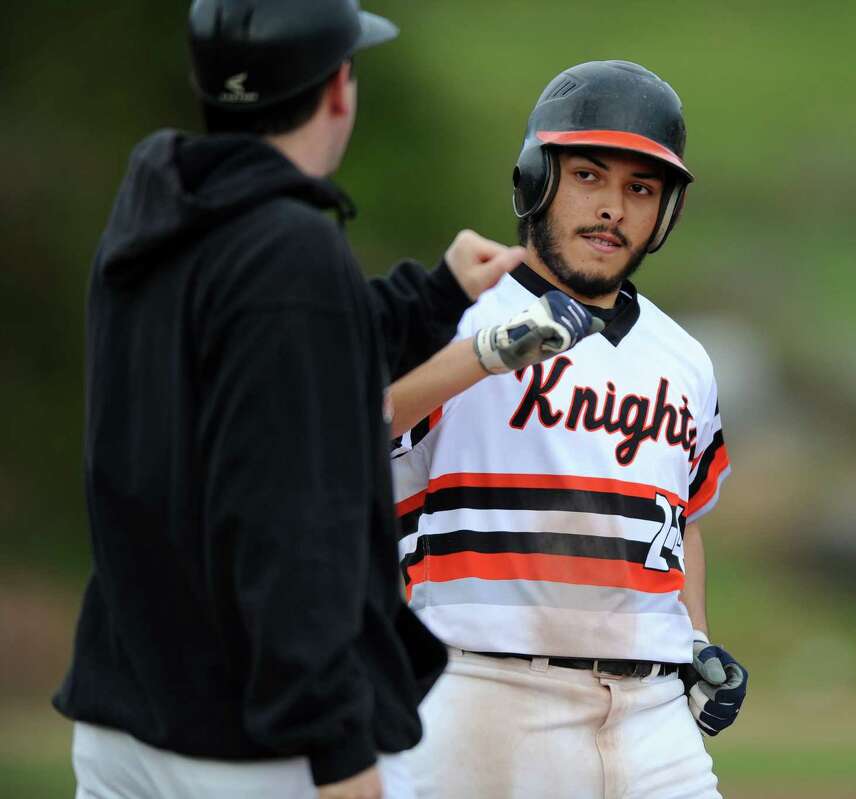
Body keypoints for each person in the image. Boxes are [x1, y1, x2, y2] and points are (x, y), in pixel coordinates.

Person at [53, 2, 600, 798]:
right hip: (250, 745)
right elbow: (292, 530)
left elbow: (290, 356)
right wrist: (341, 751)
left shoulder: (161, 219)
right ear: (338, 87)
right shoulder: (292, 252)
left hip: (121, 721)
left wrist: (437, 293)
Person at [389, 60, 748, 799]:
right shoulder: (456, 314)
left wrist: (697, 640)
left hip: (652, 711)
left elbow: (681, 521)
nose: (613, 207)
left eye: (640, 188)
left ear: (666, 212)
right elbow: (350, 427)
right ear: (534, 180)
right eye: (588, 175)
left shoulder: (683, 357)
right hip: (482, 689)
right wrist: (478, 358)